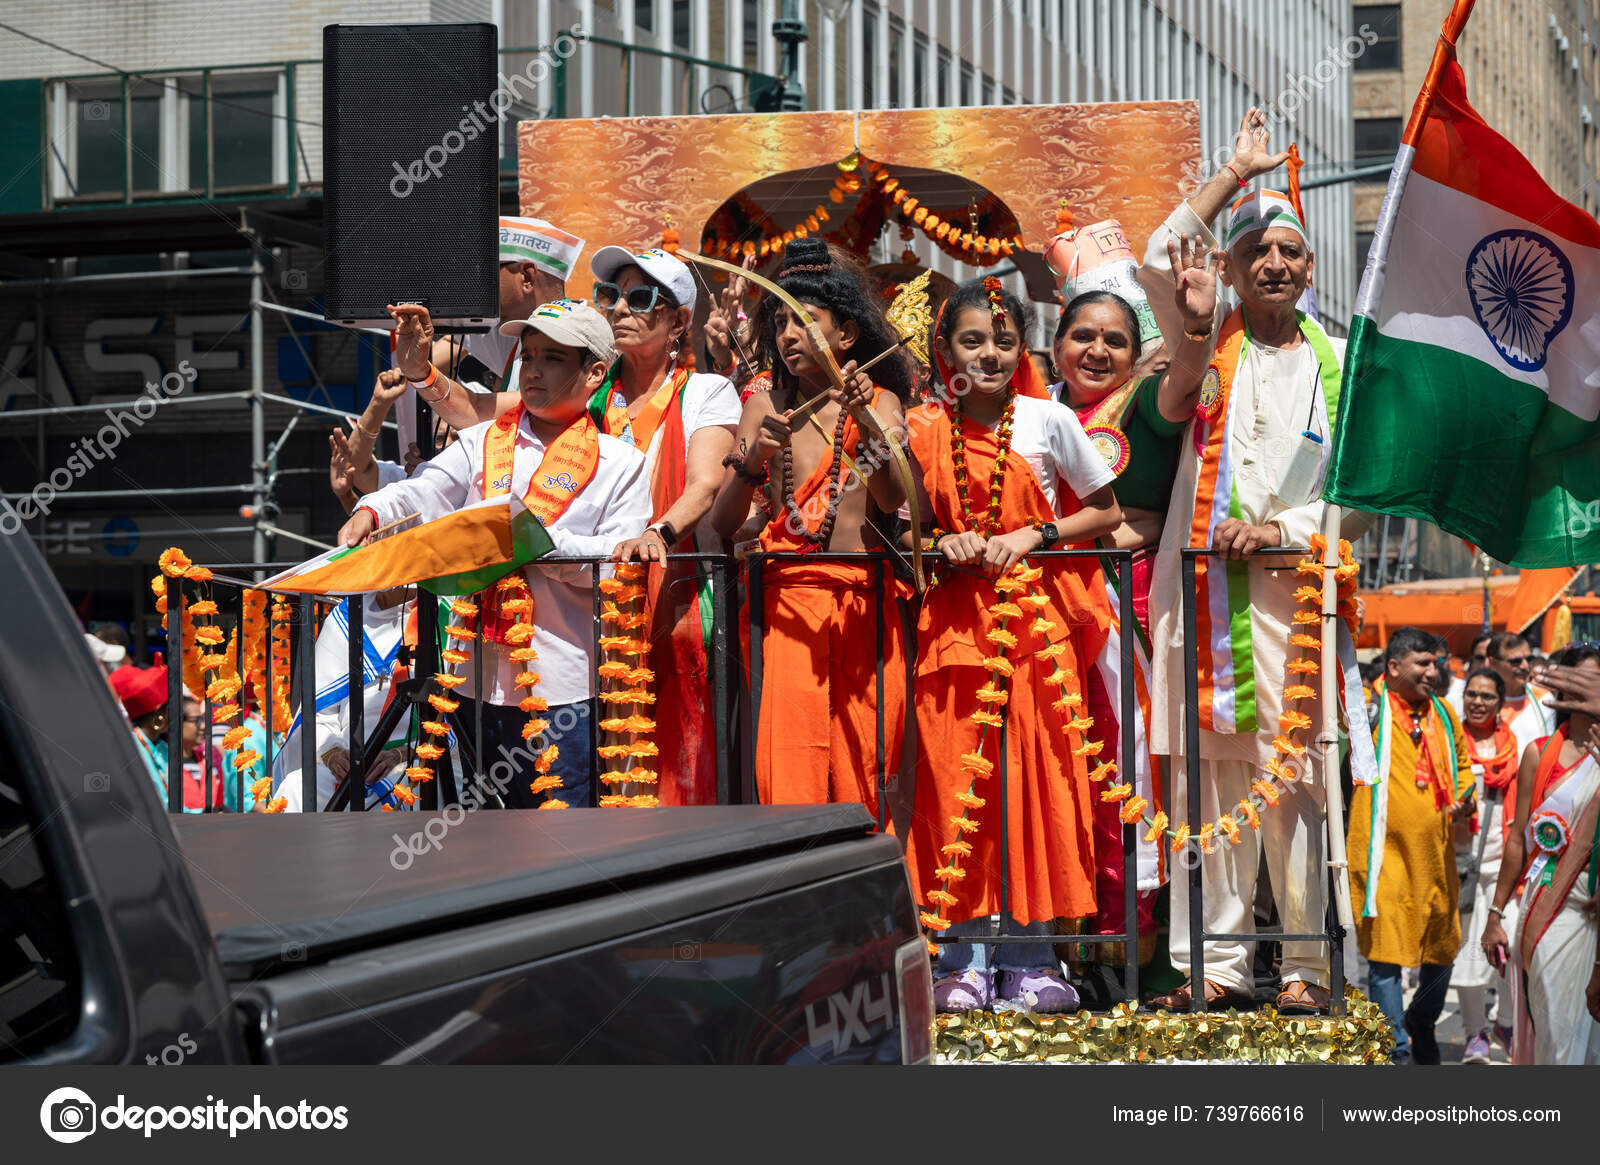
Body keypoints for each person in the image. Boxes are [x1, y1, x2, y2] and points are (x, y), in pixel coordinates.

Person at [1142, 106, 1373, 1016]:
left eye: (1289, 251)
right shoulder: (1200, 344)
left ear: (1311, 270)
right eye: (1255, 252)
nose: (1274, 263)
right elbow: (1159, 254)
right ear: (1231, 270)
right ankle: (1215, 965)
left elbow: (1361, 492)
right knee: (1209, 780)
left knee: (1298, 781)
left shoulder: (1343, 363)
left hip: (1296, 602)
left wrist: (1279, 531)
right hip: (1202, 598)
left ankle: (1308, 964)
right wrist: (1233, 176)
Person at [901, 276, 1122, 1013]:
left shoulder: (1047, 418)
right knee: (956, 787)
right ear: (946, 351)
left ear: (1022, 346)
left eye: (1002, 340)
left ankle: (1031, 958)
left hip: (1033, 632)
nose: (989, 355)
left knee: (1036, 785)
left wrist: (1036, 533)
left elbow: (1105, 511)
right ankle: (961, 959)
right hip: (953, 631)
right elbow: (894, 526)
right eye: (972, 341)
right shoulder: (920, 428)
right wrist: (942, 541)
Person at [338, 300, 651, 809]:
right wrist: (371, 511)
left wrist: (533, 543)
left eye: (552, 358)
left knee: (564, 833)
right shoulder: (483, 441)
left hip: (562, 687)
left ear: (595, 373)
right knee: (484, 836)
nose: (533, 370)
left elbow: (619, 561)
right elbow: (422, 491)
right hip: (472, 683)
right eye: (528, 356)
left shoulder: (623, 462)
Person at [710, 238, 913, 816]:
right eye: (779, 323)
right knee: (788, 762)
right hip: (785, 608)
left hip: (861, 605)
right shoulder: (764, 407)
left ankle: (863, 871)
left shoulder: (883, 401)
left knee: (863, 760)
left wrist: (869, 421)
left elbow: (892, 496)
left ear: (846, 334)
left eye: (805, 320)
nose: (788, 335)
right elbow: (724, 522)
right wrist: (752, 461)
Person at [1050, 288, 1190, 995]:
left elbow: (1185, 385)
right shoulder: (1028, 410)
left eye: (1115, 339)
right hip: (1044, 612)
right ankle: (1056, 954)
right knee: (1054, 772)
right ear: (1055, 346)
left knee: (1131, 773)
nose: (1097, 350)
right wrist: (1117, 525)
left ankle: (1138, 958)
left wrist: (1195, 325)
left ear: (1138, 356)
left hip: (1126, 613)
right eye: (1083, 335)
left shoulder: (1145, 407)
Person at [587, 245, 741, 805]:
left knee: (678, 753)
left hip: (677, 598)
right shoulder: (585, 394)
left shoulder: (706, 391)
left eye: (639, 297)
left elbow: (705, 485)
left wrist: (657, 534)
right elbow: (492, 413)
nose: (619, 309)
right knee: (600, 755)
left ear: (678, 321)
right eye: (610, 295)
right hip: (590, 602)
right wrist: (425, 376)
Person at [1347, 627, 1474, 1064]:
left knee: (1443, 949)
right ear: (1394, 666)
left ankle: (1421, 1021)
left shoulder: (1442, 713)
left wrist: (1465, 797)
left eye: (1435, 664)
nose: (1432, 672)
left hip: (1436, 859)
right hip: (1383, 857)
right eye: (1422, 663)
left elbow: (1463, 766)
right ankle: (1395, 1047)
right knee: (1385, 955)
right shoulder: (1366, 709)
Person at [1480, 644, 1600, 1064]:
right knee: (1556, 1025)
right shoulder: (1540, 751)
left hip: (1593, 902)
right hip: (1549, 904)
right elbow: (1518, 838)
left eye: (1594, 680)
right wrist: (1495, 914)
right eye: (1576, 679)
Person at [1452, 665, 1519, 1062]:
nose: (1477, 702)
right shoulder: (1450, 742)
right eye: (1472, 694)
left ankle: (1506, 1023)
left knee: (1511, 951)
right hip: (1460, 864)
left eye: (1487, 696)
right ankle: (1475, 1032)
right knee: (1468, 956)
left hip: (1505, 865)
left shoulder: (1514, 746)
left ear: (1499, 702)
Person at [1446, 631, 1495, 714]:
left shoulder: (1518, 701)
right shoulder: (1452, 701)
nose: (1486, 665)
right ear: (1471, 663)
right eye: (1480, 658)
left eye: (1492, 659)